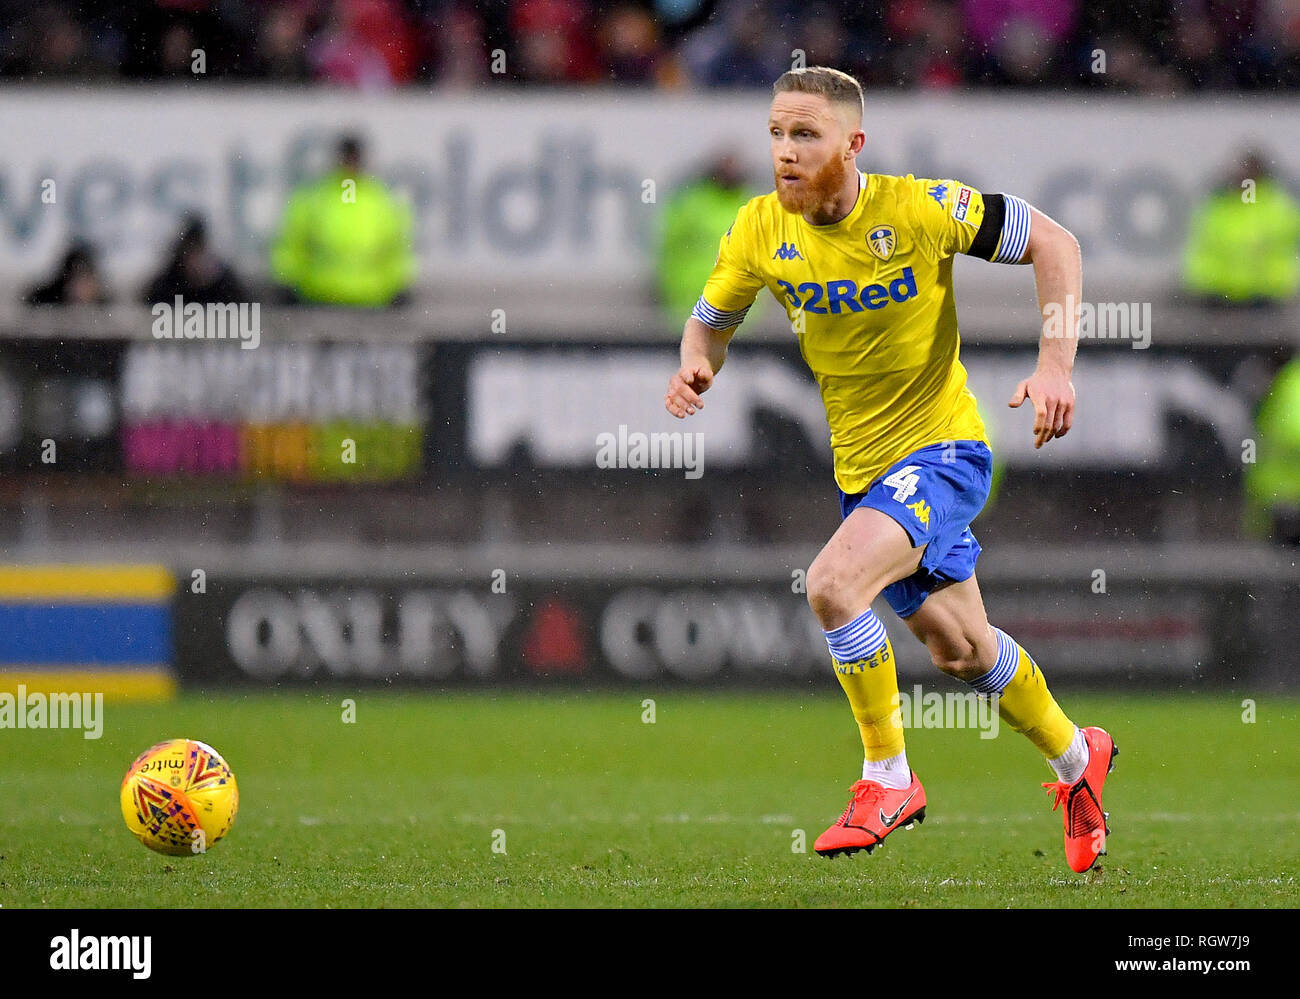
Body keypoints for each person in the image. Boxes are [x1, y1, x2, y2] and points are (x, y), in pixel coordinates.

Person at [664, 66, 1114, 873]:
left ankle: (888, 777)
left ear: (852, 145)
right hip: (864, 474)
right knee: (965, 653)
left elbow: (1056, 242)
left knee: (833, 584)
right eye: (775, 133)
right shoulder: (760, 231)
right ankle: (1079, 758)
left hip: (944, 451)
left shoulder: (919, 209)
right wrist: (697, 365)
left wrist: (1056, 366)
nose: (785, 153)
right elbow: (709, 324)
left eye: (805, 135)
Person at [271, 134, 415, 307]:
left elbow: (398, 248)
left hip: (372, 298)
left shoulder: (382, 200)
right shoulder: (313, 198)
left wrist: (398, 285)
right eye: (347, 158)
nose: (350, 164)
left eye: (353, 159)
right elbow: (290, 244)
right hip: (319, 295)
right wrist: (287, 281)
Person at [1182, 149, 1300, 306]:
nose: (1243, 176)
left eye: (1249, 172)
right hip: (1217, 295)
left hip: (1265, 297)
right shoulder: (1218, 206)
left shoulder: (1279, 207)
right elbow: (1202, 249)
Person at [655, 152, 760, 323]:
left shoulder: (753, 208)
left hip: (739, 313)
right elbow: (668, 248)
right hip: (689, 304)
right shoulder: (691, 205)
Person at [141, 215, 248, 306]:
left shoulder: (226, 285)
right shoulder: (165, 287)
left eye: (200, 251)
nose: (196, 261)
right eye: (191, 252)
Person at [25, 242, 110, 305]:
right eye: (74, 280)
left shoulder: (105, 305)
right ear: (65, 282)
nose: (79, 289)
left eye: (84, 282)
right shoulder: (45, 301)